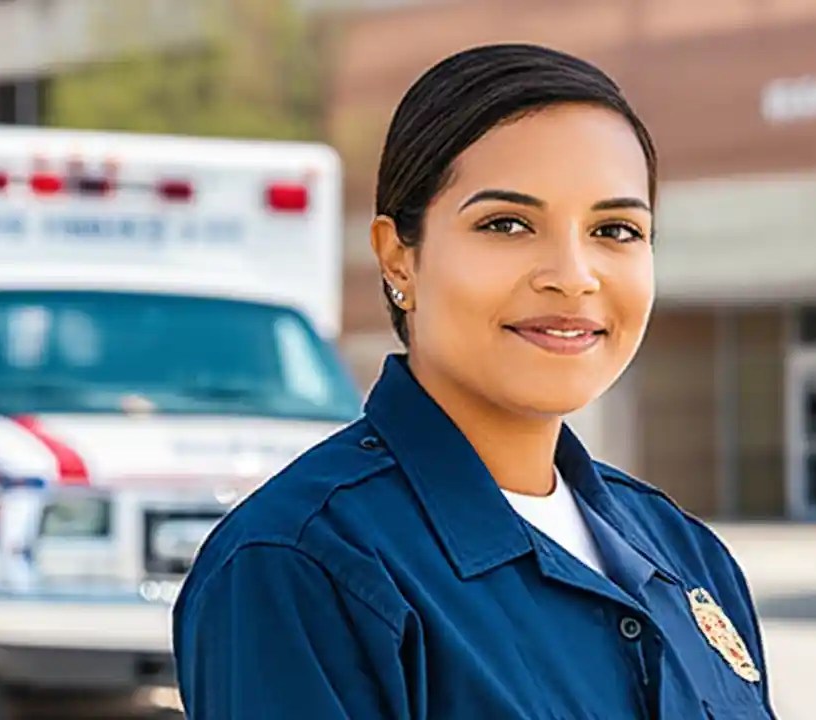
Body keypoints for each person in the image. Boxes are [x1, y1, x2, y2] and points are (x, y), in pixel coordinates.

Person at [172, 43, 776, 720]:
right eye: (508, 224)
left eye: (615, 229)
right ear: (399, 257)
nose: (573, 274)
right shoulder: (301, 565)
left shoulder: (688, 555)